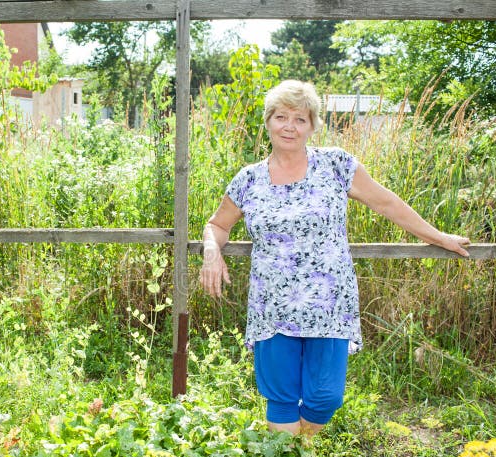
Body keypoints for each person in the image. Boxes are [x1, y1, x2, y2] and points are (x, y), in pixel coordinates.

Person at [199, 80, 470, 437]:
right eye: (281, 117)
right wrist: (211, 251)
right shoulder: (248, 180)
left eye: (300, 119)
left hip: (329, 304)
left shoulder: (336, 164)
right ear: (268, 122)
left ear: (312, 126)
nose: (289, 126)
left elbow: (387, 203)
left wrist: (439, 237)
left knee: (325, 397)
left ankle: (297, 448)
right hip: (272, 305)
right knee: (280, 396)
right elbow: (217, 225)